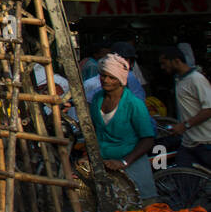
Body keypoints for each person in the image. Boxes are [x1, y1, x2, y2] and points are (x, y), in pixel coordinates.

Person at [89, 53, 156, 199]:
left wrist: (124, 161)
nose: (105, 80)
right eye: (103, 76)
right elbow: (95, 130)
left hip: (132, 166)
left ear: (120, 80)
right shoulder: (96, 99)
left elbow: (148, 139)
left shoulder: (134, 104)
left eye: (111, 77)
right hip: (104, 166)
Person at [158, 47, 211, 170]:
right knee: (184, 181)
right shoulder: (179, 79)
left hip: (204, 141)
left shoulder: (196, 79)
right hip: (188, 142)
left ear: (176, 61)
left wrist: (185, 125)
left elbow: (208, 110)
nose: (162, 67)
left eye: (164, 63)